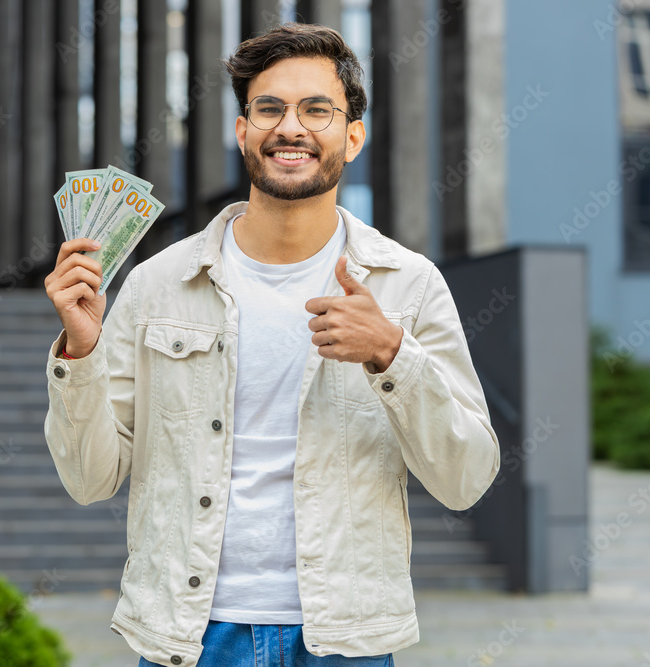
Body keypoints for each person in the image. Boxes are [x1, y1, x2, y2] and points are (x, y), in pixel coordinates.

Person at [43, 22, 500, 667]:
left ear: (353, 136)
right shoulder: (157, 284)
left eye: (317, 110)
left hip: (344, 642)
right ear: (242, 132)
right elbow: (90, 479)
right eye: (269, 108)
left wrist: (393, 355)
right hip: (191, 638)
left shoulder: (410, 285)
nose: (291, 127)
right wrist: (82, 352)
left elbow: (467, 477)